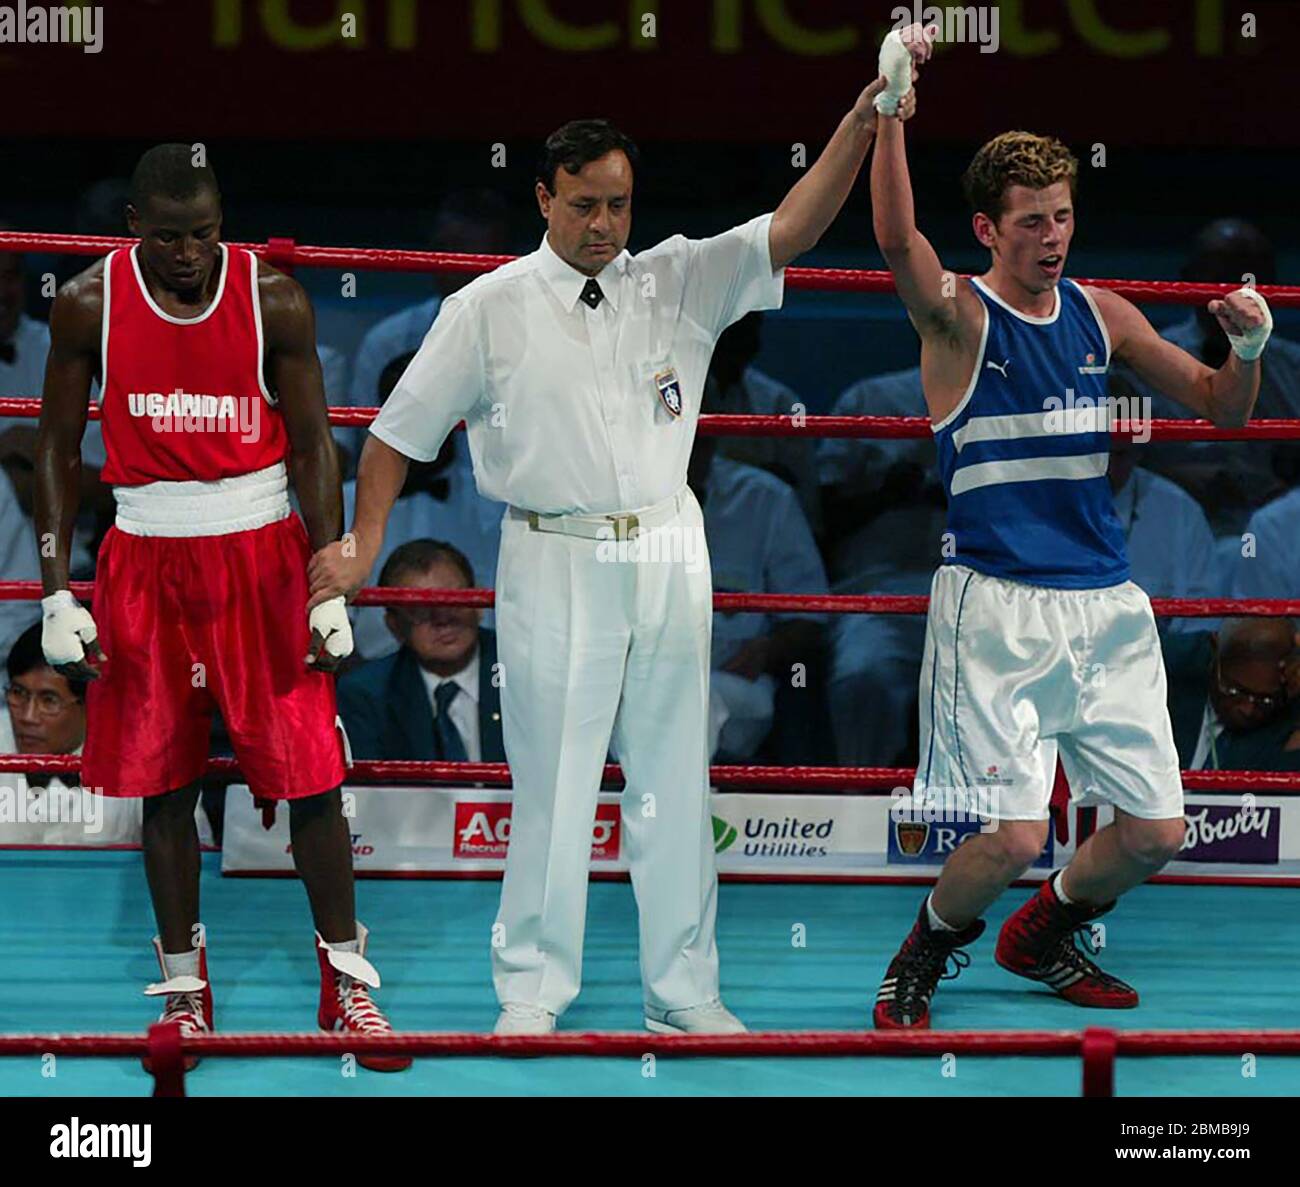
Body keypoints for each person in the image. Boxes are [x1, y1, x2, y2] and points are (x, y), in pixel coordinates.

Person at [309, 67, 926, 1035]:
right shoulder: (488, 306)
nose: (604, 224)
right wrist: (366, 539)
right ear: (544, 197)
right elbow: (393, 434)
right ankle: (532, 990)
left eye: (619, 204)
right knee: (551, 780)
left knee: (677, 777)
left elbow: (793, 226)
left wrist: (862, 116)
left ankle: (683, 989)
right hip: (551, 553)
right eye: (586, 204)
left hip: (670, 547)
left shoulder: (676, 271)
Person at [866, 26, 1271, 1029]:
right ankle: (920, 951)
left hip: (1104, 603)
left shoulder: (1105, 313)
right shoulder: (956, 318)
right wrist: (889, 109)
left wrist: (1251, 346)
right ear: (987, 229)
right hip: (995, 604)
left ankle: (1042, 929)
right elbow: (891, 242)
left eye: (1063, 215)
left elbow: (1224, 408)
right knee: (1006, 838)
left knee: (1156, 830)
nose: (1053, 236)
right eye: (1032, 221)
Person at [35, 144, 408, 1071]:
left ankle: (348, 983)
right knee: (164, 781)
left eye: (204, 233)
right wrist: (53, 584)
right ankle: (183, 989)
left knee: (312, 773)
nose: (191, 254)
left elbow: (316, 442)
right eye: (169, 237)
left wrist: (330, 574)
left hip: (262, 555)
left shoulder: (272, 296)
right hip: (144, 557)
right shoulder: (88, 302)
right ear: (133, 228)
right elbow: (53, 447)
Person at [344, 352, 504, 659]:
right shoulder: (344, 501)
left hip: (480, 660)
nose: (413, 422)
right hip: (371, 669)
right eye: (400, 409)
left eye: (425, 409)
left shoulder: (491, 495)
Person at [818, 365, 941, 766]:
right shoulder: (867, 400)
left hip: (979, 594)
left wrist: (965, 499)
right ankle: (859, 798)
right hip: (875, 594)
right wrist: (885, 494)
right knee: (862, 677)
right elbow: (822, 518)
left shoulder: (1007, 399)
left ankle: (990, 806)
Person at [687, 436, 828, 760]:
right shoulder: (621, 499)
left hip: (730, 680)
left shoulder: (766, 497)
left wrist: (769, 650)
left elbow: (811, 613)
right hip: (640, 675)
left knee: (696, 702)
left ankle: (673, 808)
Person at [337, 539, 505, 763]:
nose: (443, 618)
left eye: (454, 600)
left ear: (478, 602)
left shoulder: (521, 671)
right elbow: (371, 793)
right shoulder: (365, 694)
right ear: (394, 626)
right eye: (420, 609)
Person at [0, 622, 138, 844]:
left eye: (49, 701)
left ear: (91, 704)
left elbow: (190, 858)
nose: (28, 716)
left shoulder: (142, 756)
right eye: (18, 693)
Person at [1162, 617, 1300, 772]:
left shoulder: (1285, 704)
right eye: (1235, 692)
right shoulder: (1171, 667)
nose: (1247, 709)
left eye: (1264, 700)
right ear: (1215, 650)